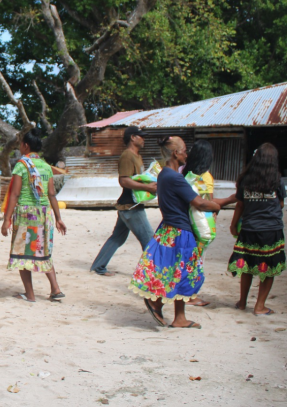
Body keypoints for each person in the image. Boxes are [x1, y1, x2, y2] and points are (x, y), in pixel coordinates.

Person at [130, 136, 220, 329]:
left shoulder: (164, 174)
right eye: (184, 150)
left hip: (169, 229)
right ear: (175, 153)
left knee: (175, 272)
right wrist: (217, 204)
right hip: (180, 232)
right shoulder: (175, 178)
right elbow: (199, 202)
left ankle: (178, 316)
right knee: (184, 273)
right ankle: (158, 304)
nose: (187, 154)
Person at [0, 131, 67, 302]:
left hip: (26, 214)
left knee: (23, 255)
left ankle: (30, 295)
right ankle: (55, 289)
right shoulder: (45, 166)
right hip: (44, 214)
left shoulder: (21, 165)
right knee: (43, 251)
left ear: (26, 146)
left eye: (21, 144)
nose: (20, 146)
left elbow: (14, 195)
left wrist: (6, 219)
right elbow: (52, 194)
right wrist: (59, 218)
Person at [228, 143, 287, 316]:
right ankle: (260, 306)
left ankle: (242, 302)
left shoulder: (246, 180)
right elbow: (281, 204)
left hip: (249, 229)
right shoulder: (277, 180)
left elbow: (240, 205)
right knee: (268, 268)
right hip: (271, 230)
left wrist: (233, 224)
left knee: (247, 265)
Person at [90, 125, 157, 276]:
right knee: (150, 241)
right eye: (141, 136)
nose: (144, 139)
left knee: (117, 238)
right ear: (133, 137)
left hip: (127, 206)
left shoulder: (137, 156)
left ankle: (98, 266)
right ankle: (150, 275)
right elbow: (124, 181)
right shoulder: (127, 155)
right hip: (131, 207)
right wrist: (148, 188)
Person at [179, 140, 236, 307]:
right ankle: (191, 295)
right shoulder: (205, 176)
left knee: (187, 258)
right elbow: (208, 202)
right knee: (198, 260)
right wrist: (227, 201)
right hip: (201, 225)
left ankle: (185, 292)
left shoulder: (184, 172)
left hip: (185, 221)